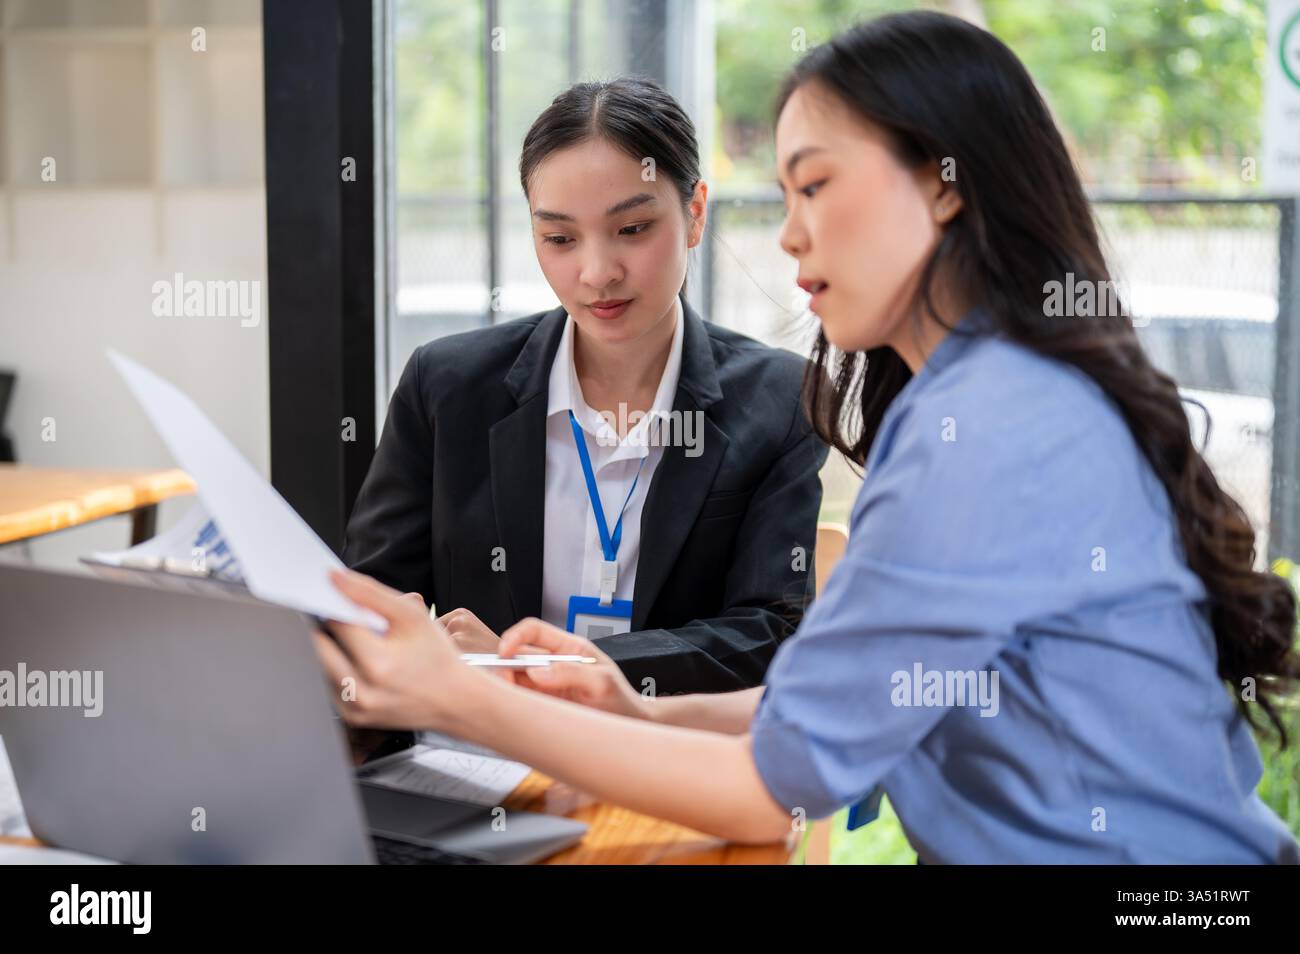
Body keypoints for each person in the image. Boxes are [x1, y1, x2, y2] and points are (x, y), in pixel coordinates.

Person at [315, 12, 1300, 862]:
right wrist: (634, 707)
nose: (787, 234)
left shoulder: (988, 430)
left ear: (944, 184)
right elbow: (835, 711)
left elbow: (769, 788)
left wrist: (466, 701)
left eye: (815, 186)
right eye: (783, 197)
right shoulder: (977, 399)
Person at [344, 77, 827, 694]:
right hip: (485, 760)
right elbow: (374, 606)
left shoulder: (780, 400)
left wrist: (545, 674)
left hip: (667, 764)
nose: (597, 273)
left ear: (695, 213)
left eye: (632, 230)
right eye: (560, 239)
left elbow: (770, 632)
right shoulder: (448, 388)